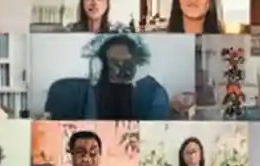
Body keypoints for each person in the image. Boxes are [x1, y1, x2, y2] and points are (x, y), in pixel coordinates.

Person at [40, 34, 171, 120]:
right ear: (104, 62)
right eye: (114, 62)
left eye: (125, 62)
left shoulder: (152, 93)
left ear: (136, 62)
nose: (120, 68)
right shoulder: (93, 91)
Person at [32, 130, 134, 166]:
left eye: (93, 154)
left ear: (99, 155)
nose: (87, 159)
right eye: (81, 153)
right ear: (71, 155)